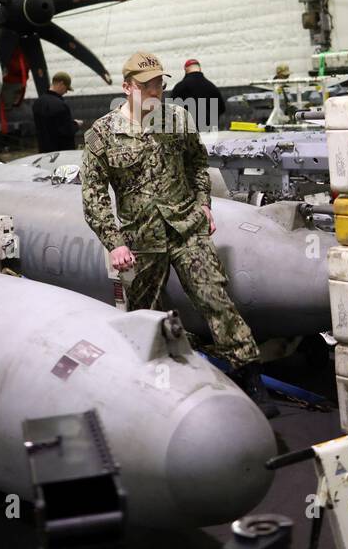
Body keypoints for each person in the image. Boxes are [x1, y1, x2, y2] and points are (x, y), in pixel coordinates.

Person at [81, 52, 277, 417]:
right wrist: (115, 242)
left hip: (187, 228)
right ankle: (154, 389)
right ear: (127, 87)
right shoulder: (102, 135)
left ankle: (251, 380)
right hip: (142, 239)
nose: (155, 91)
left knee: (214, 298)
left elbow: (197, 164)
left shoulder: (177, 119)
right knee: (146, 316)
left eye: (159, 83)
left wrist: (204, 203)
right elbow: (92, 196)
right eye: (146, 85)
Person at [169, 58, 225, 130]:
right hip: (209, 132)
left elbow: (170, 110)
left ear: (186, 69)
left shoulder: (179, 87)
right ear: (200, 69)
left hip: (188, 134)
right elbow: (222, 108)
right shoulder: (212, 87)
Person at [32, 71, 79, 152]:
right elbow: (66, 131)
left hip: (44, 151)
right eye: (66, 88)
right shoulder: (61, 105)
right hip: (61, 153)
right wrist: (76, 124)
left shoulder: (37, 103)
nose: (66, 92)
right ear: (61, 84)